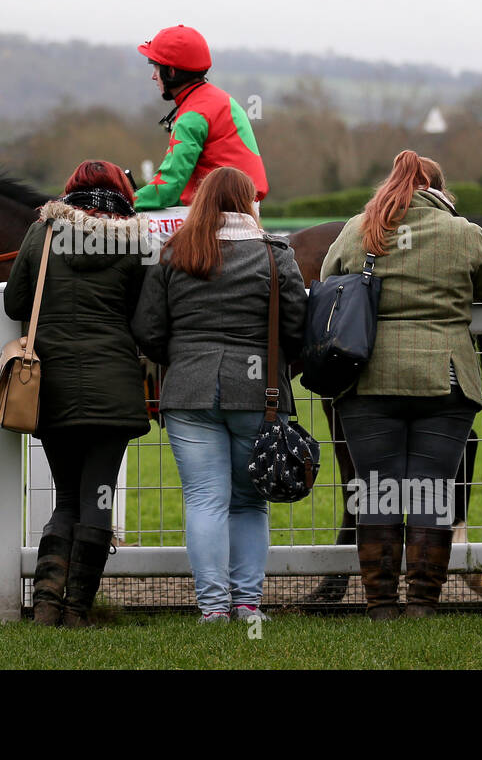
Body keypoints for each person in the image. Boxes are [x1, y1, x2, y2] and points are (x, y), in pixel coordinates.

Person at [321, 152, 482, 620]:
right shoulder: (461, 232)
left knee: (377, 490)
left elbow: (328, 279)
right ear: (439, 190)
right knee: (431, 491)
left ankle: (381, 605)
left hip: (368, 380)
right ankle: (423, 604)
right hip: (443, 378)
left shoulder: (359, 228)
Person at [132, 167, 305, 624]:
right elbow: (295, 327)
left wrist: (188, 356)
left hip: (188, 389)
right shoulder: (275, 255)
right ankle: (247, 604)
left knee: (204, 500)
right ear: (249, 201)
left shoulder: (174, 253)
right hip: (259, 392)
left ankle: (212, 608)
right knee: (249, 501)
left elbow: (148, 331)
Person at [4, 161, 152, 627]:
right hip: (115, 386)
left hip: (54, 385)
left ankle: (46, 605)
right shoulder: (137, 241)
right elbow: (144, 319)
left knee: (66, 499)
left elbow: (14, 303)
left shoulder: (42, 232)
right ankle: (77, 609)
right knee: (99, 498)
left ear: (70, 191)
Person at [133, 25, 269, 240]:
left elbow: (167, 189)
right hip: (241, 209)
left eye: (156, 68)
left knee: (130, 232)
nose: (153, 76)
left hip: (219, 214)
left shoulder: (193, 114)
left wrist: (127, 201)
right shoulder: (217, 98)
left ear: (172, 72)